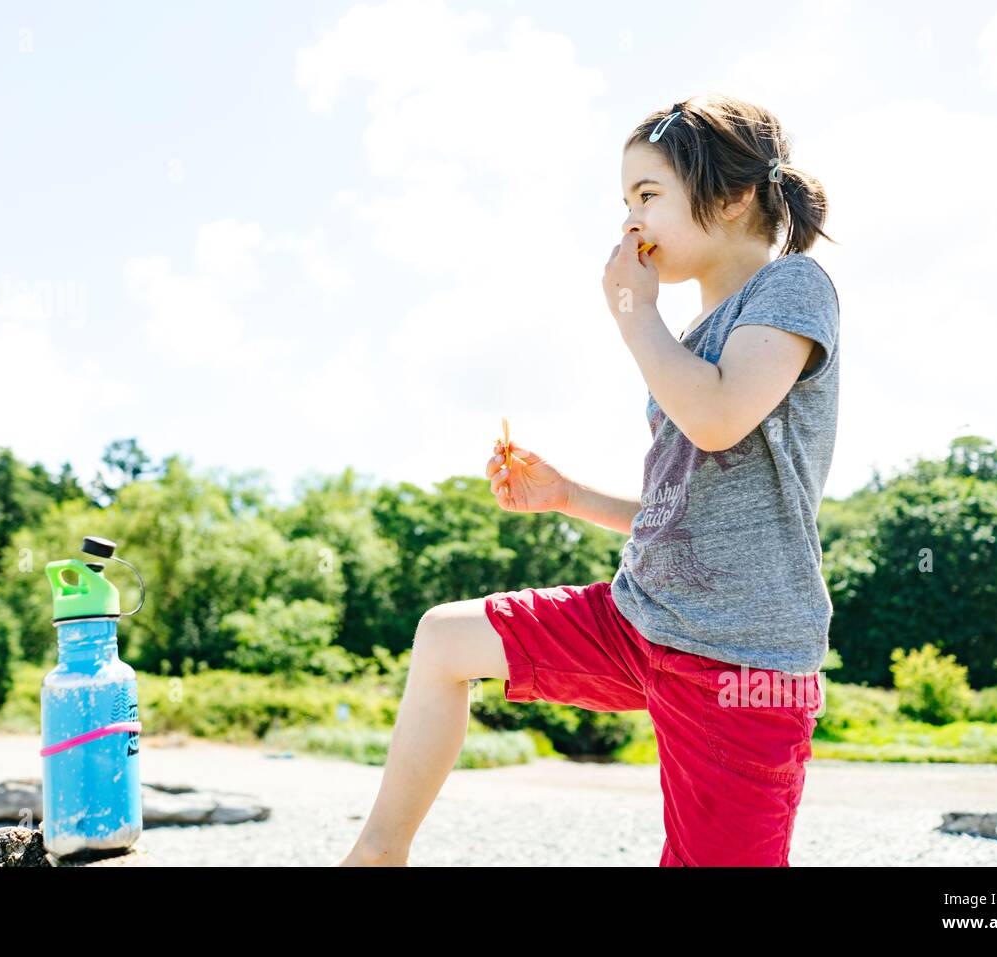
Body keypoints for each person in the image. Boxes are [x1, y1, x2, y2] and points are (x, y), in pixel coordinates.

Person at [338, 93, 840, 867]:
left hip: (743, 662)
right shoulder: (689, 337)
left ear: (735, 196)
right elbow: (687, 510)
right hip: (640, 620)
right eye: (623, 202)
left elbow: (717, 417)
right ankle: (377, 855)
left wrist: (634, 315)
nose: (628, 222)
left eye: (647, 196)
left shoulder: (792, 288)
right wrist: (566, 495)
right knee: (444, 639)